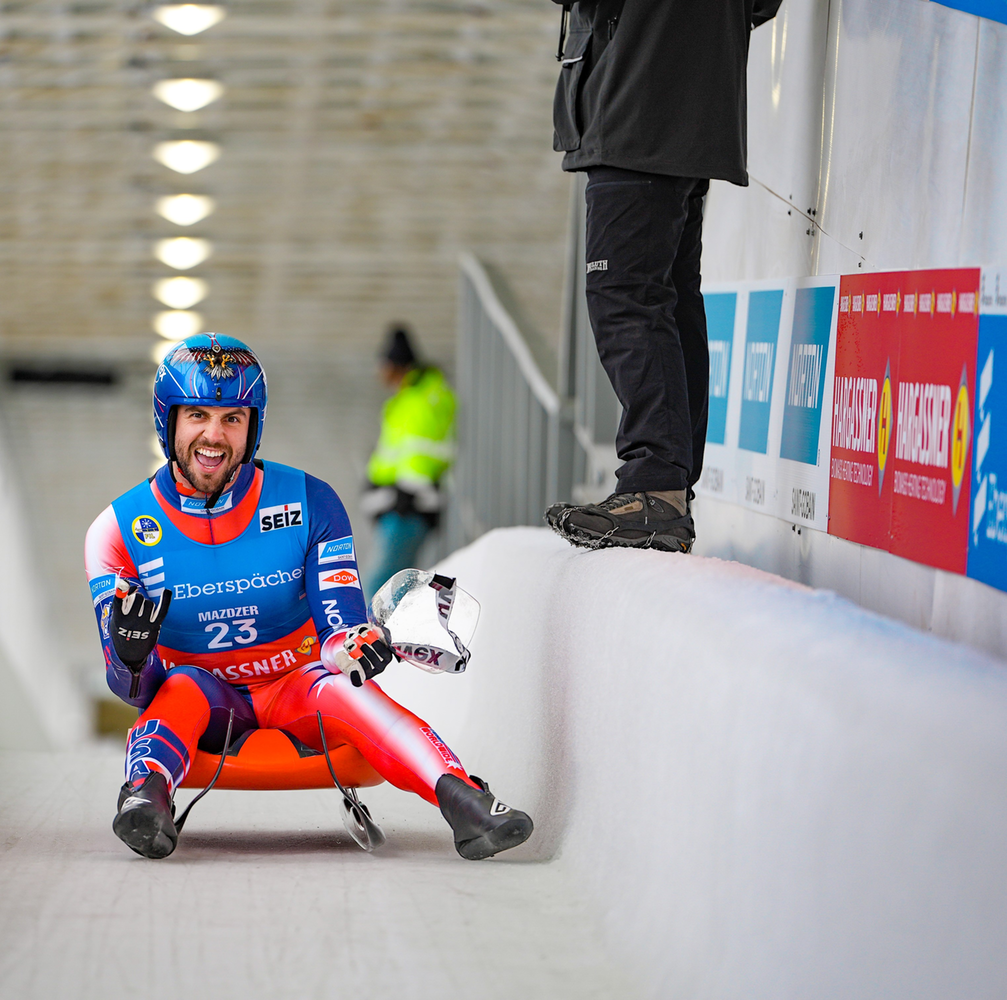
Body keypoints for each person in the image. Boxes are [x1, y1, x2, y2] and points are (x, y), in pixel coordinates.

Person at [84, 333, 531, 860]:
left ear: (253, 427)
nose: (214, 434)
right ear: (169, 421)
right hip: (204, 699)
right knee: (180, 685)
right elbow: (136, 691)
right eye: (198, 415)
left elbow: (339, 625)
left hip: (295, 685)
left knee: (344, 689)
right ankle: (145, 798)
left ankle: (465, 800)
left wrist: (357, 647)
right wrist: (132, 659)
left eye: (233, 418)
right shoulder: (114, 531)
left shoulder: (310, 502)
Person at [544, 0, 783, 552]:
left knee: (624, 296)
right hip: (690, 107)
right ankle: (667, 486)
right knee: (667, 301)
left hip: (638, 104)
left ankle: (657, 490)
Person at [360, 325, 456, 597]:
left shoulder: (424, 397)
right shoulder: (406, 399)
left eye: (382, 365)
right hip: (397, 503)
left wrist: (405, 492)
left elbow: (422, 452)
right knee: (389, 587)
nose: (379, 373)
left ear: (395, 364)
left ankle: (374, 639)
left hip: (408, 506)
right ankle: (385, 637)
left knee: (380, 589)